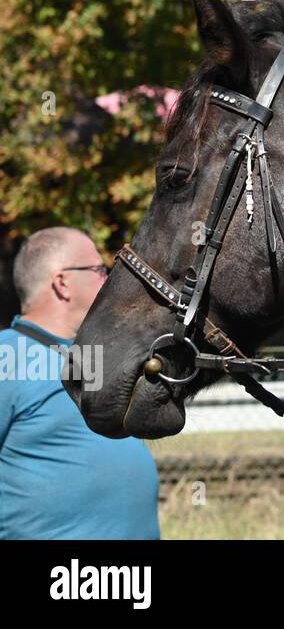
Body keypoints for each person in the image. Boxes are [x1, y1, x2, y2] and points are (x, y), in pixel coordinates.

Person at [0, 227, 160, 539]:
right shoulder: (8, 356)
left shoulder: (101, 357)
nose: (110, 279)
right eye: (100, 270)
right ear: (62, 283)